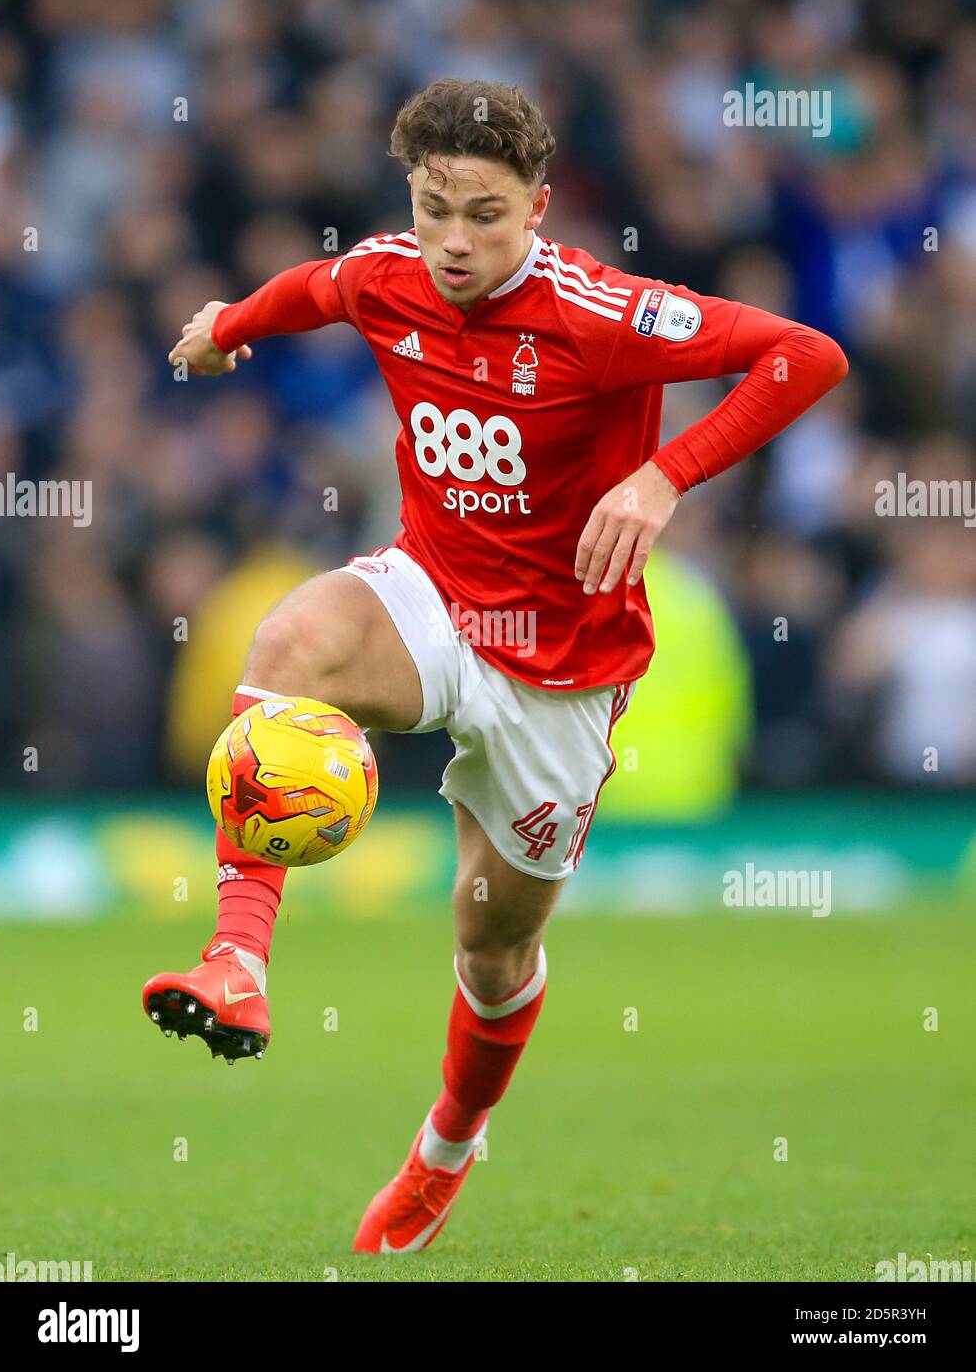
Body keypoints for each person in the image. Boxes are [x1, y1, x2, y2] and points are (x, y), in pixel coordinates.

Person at [143, 78, 848, 1255]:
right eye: (433, 211)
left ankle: (447, 1147)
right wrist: (227, 325)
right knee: (288, 644)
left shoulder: (605, 312)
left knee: (491, 942)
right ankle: (237, 959)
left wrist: (664, 473)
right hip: (432, 597)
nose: (455, 241)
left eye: (484, 213)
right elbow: (312, 290)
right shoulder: (388, 273)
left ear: (539, 207)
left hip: (560, 672)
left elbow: (806, 355)